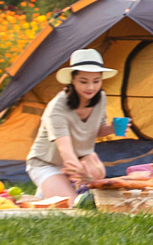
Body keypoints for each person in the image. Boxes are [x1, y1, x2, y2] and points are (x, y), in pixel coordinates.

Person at [28, 48, 117, 199]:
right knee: (73, 205)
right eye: (84, 81)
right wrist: (84, 179)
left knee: (96, 172)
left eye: (96, 81)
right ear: (72, 79)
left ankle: (50, 190)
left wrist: (112, 128)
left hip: (79, 158)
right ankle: (50, 185)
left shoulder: (100, 97)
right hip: (47, 163)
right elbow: (66, 153)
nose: (91, 87)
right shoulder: (57, 108)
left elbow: (97, 129)